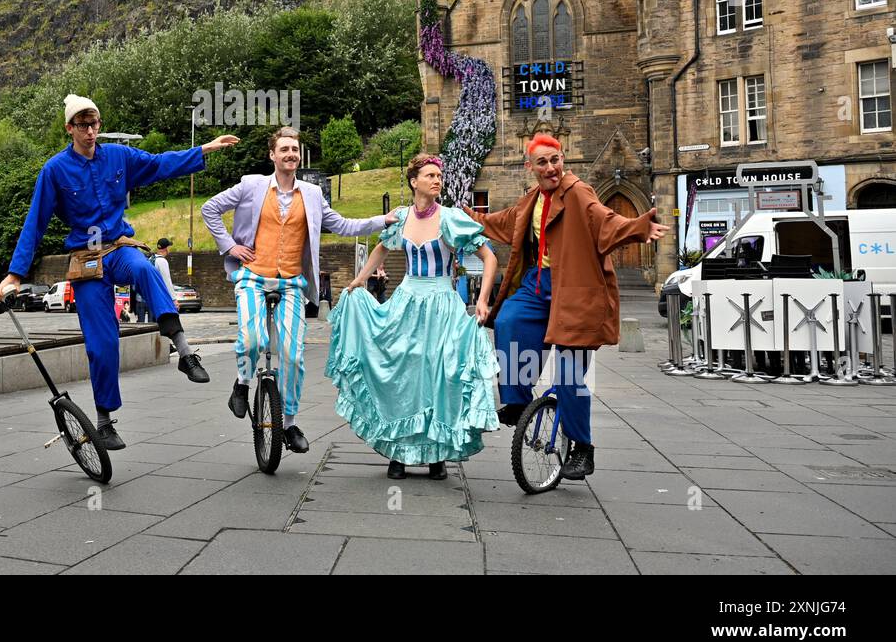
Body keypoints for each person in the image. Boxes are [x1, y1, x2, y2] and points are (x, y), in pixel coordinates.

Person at [0, 95, 239, 452]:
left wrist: (203, 149)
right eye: (83, 126)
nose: (91, 131)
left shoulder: (118, 156)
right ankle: (105, 421)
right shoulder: (54, 170)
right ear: (70, 128)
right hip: (86, 259)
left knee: (145, 266)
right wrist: (15, 276)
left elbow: (159, 165)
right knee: (102, 343)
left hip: (118, 247)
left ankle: (185, 351)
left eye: (95, 124)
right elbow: (35, 223)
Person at [466, 133, 669, 480]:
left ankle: (581, 449)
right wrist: (463, 217)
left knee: (571, 377)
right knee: (509, 321)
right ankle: (517, 401)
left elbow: (605, 220)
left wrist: (637, 227)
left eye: (555, 160)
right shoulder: (531, 199)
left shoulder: (579, 193)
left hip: (574, 289)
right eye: (542, 162)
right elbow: (501, 222)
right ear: (530, 167)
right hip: (539, 285)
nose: (550, 168)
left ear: (563, 161)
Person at [201, 126, 395, 455]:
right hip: (252, 275)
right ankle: (242, 382)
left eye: (295, 149)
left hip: (291, 281)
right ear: (273, 155)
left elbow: (343, 225)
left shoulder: (313, 194)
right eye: (285, 149)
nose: (291, 153)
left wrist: (382, 220)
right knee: (253, 339)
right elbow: (210, 209)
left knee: (292, 355)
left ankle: (289, 423)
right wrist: (230, 246)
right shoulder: (251, 185)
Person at [327, 154, 500, 480]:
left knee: (438, 374)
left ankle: (437, 455)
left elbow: (489, 257)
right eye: (430, 175)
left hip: (441, 305)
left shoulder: (451, 218)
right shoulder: (402, 217)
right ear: (414, 181)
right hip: (407, 301)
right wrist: (360, 279)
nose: (437, 180)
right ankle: (398, 452)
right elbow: (381, 247)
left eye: (439, 175)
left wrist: (483, 300)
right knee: (401, 373)